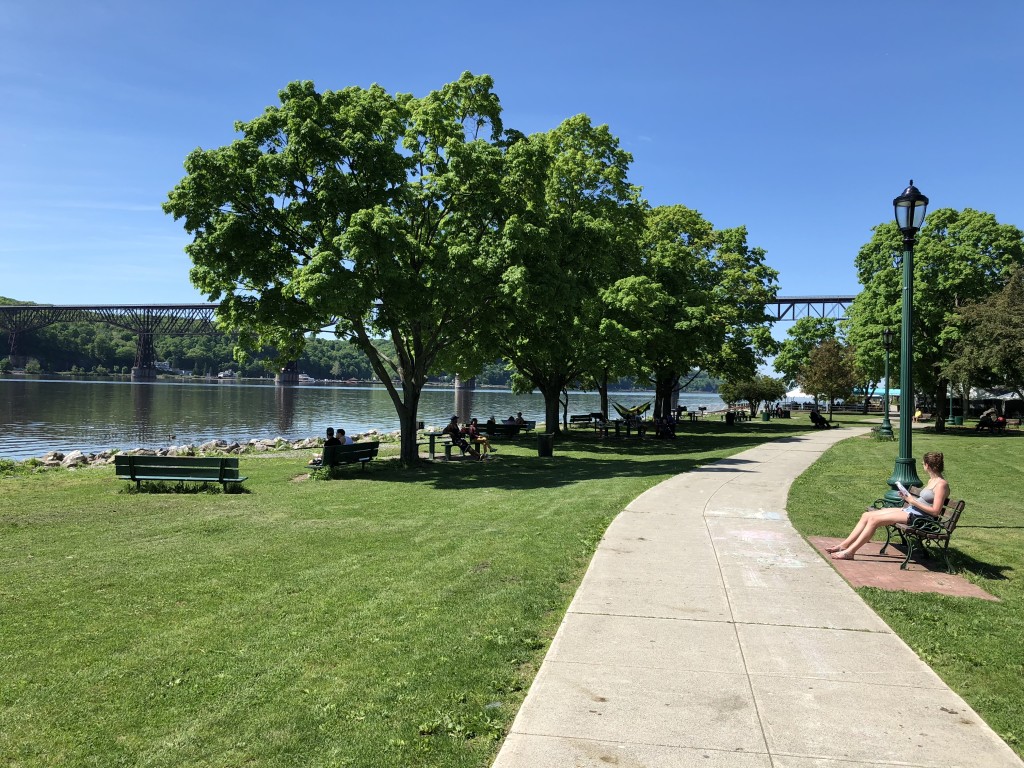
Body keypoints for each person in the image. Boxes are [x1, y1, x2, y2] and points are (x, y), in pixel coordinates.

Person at [828, 451, 948, 561]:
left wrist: (912, 501)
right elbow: (925, 501)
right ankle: (844, 545)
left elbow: (935, 512)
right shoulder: (931, 481)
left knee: (874, 520)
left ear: (927, 465)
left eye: (923, 463)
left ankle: (850, 552)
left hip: (920, 519)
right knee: (866, 515)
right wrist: (907, 497)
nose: (923, 466)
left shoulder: (941, 485)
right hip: (912, 511)